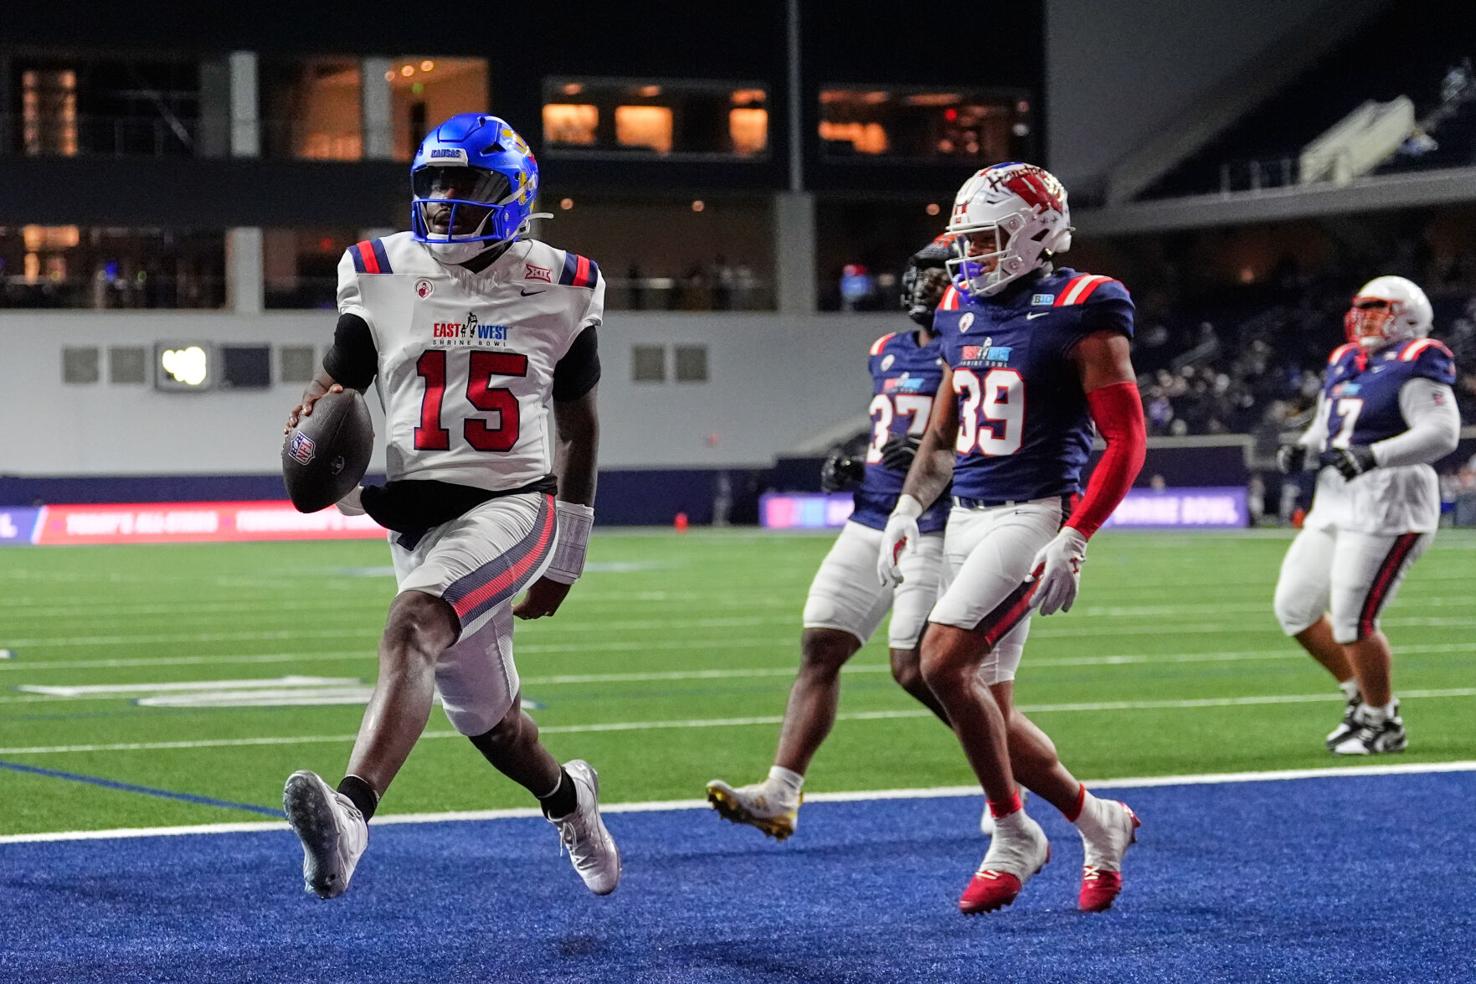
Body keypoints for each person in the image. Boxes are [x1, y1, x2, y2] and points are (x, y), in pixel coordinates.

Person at [279, 114, 619, 900]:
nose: (444, 198)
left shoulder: (565, 283)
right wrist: (309, 431)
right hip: (414, 517)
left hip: (511, 504)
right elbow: (339, 383)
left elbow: (580, 425)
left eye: (465, 183)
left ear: (514, 193)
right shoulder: (379, 269)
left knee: (411, 626)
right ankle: (572, 802)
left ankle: (351, 817)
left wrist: (568, 552)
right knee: (495, 727)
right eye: (433, 181)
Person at [877, 163, 1146, 915]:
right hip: (965, 512)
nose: (970, 257)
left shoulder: (1083, 303)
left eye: (989, 239)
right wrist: (906, 509)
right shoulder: (961, 303)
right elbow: (939, 436)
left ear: (1037, 234)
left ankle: (1012, 832)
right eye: (967, 240)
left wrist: (1077, 534)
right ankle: (1100, 822)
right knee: (990, 705)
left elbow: (1126, 439)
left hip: (1033, 516)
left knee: (941, 662)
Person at [706, 240, 956, 840]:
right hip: (872, 517)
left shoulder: (971, 349)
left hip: (936, 522)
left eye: (937, 278)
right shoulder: (887, 351)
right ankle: (780, 793)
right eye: (919, 277)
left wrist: (937, 461)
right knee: (821, 645)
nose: (923, 289)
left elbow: (980, 443)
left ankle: (1010, 771)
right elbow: (889, 436)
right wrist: (860, 467)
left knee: (920, 669)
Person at [1273, 276, 1460, 754]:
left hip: (1390, 501)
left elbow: (1442, 432)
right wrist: (1303, 448)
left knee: (1354, 621)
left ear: (1409, 315)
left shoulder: (1420, 359)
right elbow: (1327, 425)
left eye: (1378, 308)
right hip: (1335, 498)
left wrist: (1375, 455)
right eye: (1362, 308)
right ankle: (1359, 695)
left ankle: (1382, 721)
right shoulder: (1345, 359)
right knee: (1294, 607)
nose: (1365, 317)